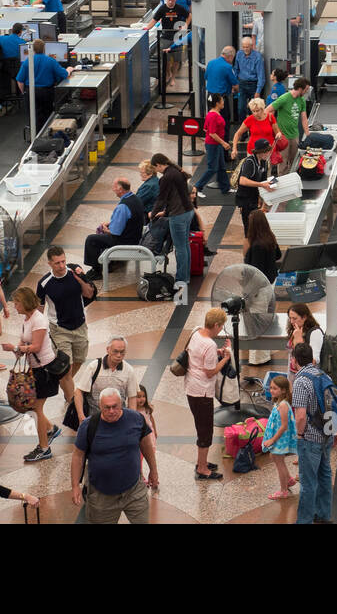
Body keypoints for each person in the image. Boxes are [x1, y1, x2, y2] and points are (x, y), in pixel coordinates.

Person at [1, 287, 71, 462]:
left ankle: (44, 447)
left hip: (44, 370)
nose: (15, 305)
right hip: (35, 369)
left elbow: (36, 347)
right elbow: (25, 341)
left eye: (16, 302)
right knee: (33, 407)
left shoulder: (38, 320)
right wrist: (17, 349)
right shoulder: (27, 319)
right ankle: (50, 430)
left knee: (36, 409)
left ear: (24, 302)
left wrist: (16, 348)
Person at [70, 387, 159, 523]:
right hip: (102, 496)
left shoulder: (135, 419)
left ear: (122, 404)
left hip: (134, 490)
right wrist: (75, 485)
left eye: (115, 406)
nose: (111, 411)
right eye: (107, 407)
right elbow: (78, 456)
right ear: (100, 406)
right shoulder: (88, 426)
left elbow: (146, 444)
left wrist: (153, 470)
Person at [184, 307, 231, 481]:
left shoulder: (196, 331)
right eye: (221, 327)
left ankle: (201, 461)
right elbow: (210, 372)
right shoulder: (209, 344)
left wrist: (217, 353)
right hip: (202, 392)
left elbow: (197, 355)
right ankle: (202, 469)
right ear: (216, 324)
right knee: (205, 431)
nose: (220, 330)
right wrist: (226, 358)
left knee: (201, 427)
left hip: (191, 388)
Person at [291, 342, 336, 522]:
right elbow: (332, 406)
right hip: (326, 434)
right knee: (325, 477)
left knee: (308, 483)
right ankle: (324, 515)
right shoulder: (324, 375)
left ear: (294, 361)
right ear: (311, 359)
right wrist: (333, 433)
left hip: (310, 438)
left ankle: (304, 520)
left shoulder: (301, 381)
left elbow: (301, 416)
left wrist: (300, 436)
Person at [36, 245, 96, 378]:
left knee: (80, 360)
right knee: (65, 365)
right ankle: (70, 395)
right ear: (49, 263)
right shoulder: (44, 283)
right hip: (59, 329)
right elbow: (39, 310)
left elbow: (88, 294)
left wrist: (81, 279)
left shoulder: (74, 273)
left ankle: (66, 384)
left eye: (63, 261)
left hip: (80, 325)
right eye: (57, 263)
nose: (62, 266)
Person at [82, 177, 145, 279]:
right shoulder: (135, 198)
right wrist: (111, 223)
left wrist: (106, 229)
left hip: (124, 241)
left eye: (114, 187)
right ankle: (108, 264)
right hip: (135, 236)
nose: (112, 189)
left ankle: (96, 271)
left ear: (120, 189)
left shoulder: (123, 206)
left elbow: (115, 232)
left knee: (91, 239)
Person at [151, 152, 196, 289]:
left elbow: (161, 198)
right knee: (185, 246)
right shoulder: (176, 171)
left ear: (158, 165)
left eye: (155, 168)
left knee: (180, 248)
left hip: (178, 215)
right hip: (188, 211)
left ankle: (181, 279)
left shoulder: (166, 177)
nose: (156, 171)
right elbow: (176, 195)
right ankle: (186, 276)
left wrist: (152, 214)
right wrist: (166, 211)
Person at [72, 336, 141, 424]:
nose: (119, 355)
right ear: (108, 349)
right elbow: (79, 391)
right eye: (115, 351)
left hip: (118, 419)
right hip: (95, 418)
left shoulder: (129, 370)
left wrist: (132, 419)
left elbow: (132, 397)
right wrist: (81, 415)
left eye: (122, 352)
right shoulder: (94, 367)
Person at [17, 38, 72, 125]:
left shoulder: (27, 61)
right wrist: (69, 69)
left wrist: (24, 92)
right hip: (46, 92)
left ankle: (34, 135)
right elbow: (64, 74)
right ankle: (46, 134)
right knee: (47, 115)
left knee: (33, 116)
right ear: (44, 49)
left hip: (31, 92)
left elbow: (20, 81)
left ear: (33, 49)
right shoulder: (50, 60)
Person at [260, 375, 298, 500]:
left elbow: (284, 426)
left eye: (275, 388)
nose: (271, 390)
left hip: (279, 439)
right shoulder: (279, 403)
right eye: (270, 388)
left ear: (283, 390)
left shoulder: (283, 405)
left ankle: (283, 491)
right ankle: (289, 480)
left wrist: (272, 440)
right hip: (278, 438)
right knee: (275, 458)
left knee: (279, 463)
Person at [269, 76, 311, 170]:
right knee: (283, 164)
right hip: (283, 137)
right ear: (300, 89)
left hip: (295, 136)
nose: (306, 92)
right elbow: (267, 111)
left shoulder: (302, 100)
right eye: (306, 89)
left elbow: (304, 118)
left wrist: (308, 134)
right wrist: (275, 128)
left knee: (294, 164)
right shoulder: (284, 98)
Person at [233, 36, 267, 123]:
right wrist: (235, 83)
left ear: (251, 46)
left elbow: (261, 76)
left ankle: (253, 131)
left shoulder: (258, 57)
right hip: (242, 84)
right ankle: (243, 132)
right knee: (241, 109)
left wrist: (258, 91)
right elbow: (236, 70)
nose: (245, 49)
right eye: (243, 47)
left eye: (247, 47)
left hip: (254, 85)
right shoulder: (239, 54)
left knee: (254, 110)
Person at [244, 209, 281, 282]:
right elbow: (278, 255)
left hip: (260, 282)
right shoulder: (270, 237)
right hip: (270, 277)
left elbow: (256, 269)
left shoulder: (257, 246)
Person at [204, 45, 236, 123]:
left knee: (211, 118)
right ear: (230, 56)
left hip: (210, 96)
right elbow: (235, 84)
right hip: (220, 97)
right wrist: (235, 90)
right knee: (224, 119)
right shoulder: (228, 67)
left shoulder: (210, 63)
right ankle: (223, 135)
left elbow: (206, 77)